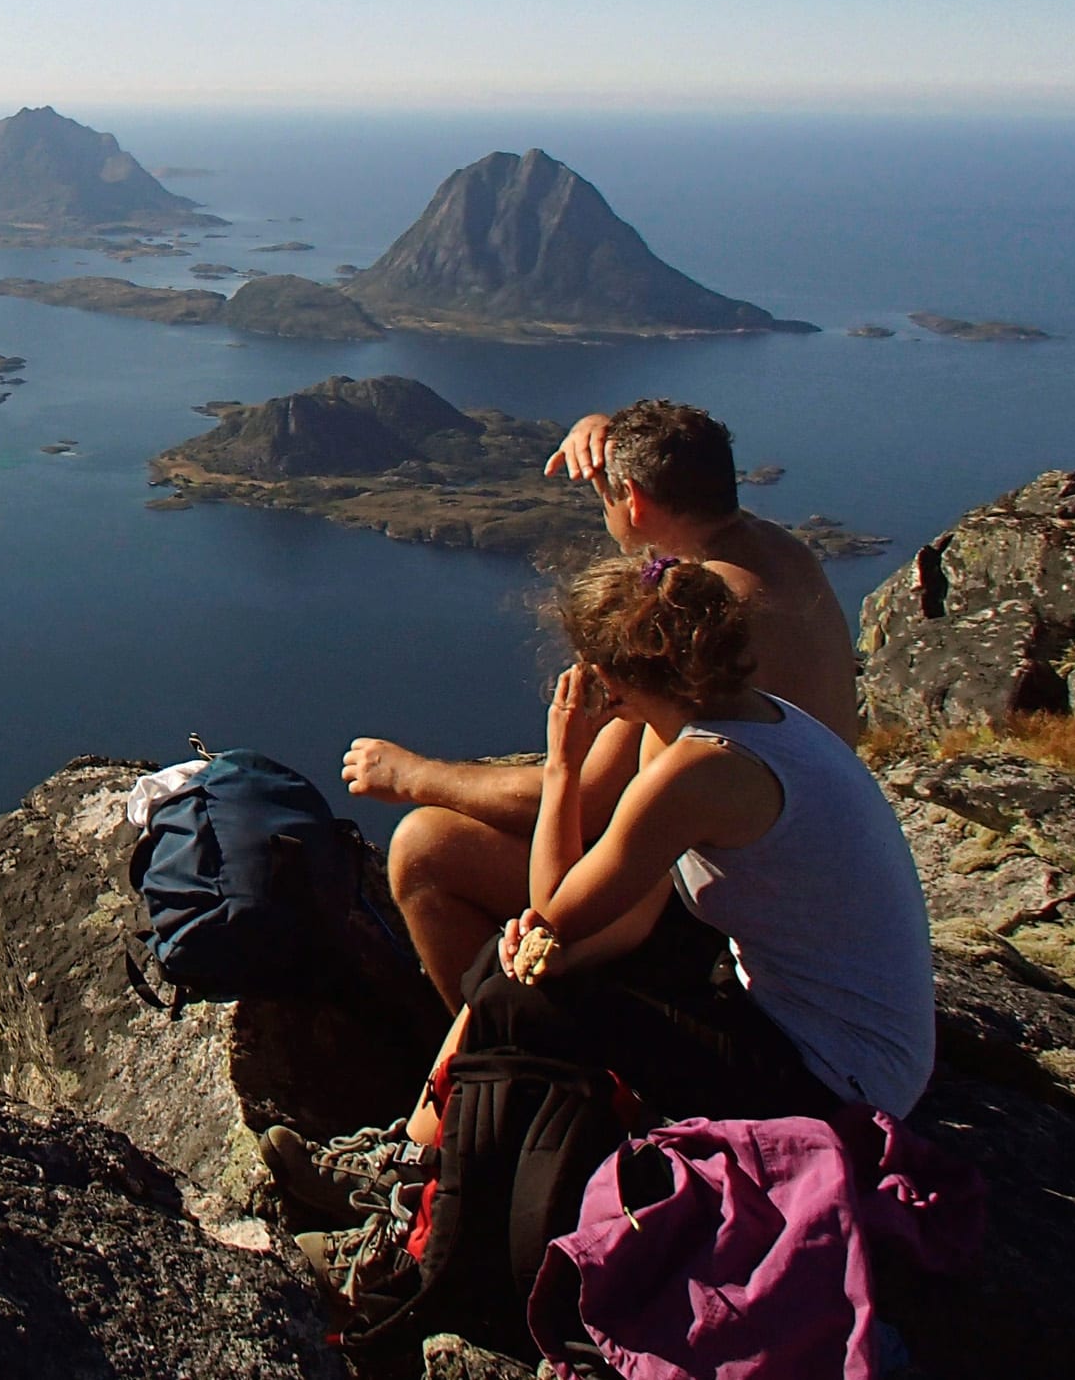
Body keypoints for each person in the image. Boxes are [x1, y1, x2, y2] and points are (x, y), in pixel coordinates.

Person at [276, 553, 935, 1302]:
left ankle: (423, 1245)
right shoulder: (743, 717)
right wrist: (555, 954)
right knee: (528, 971)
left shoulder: (700, 769)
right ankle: (423, 1149)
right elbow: (630, 906)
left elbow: (554, 899)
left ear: (612, 675)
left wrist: (563, 762)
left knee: (517, 1001)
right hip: (815, 1023)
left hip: (836, 1079)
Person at [343, 399, 863, 1007]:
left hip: (735, 928)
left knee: (425, 846)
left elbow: (589, 802)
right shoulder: (772, 555)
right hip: (804, 879)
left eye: (608, 494)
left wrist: (411, 777)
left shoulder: (692, 626)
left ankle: (498, 1062)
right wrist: (604, 437)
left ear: (636, 500)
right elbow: (661, 492)